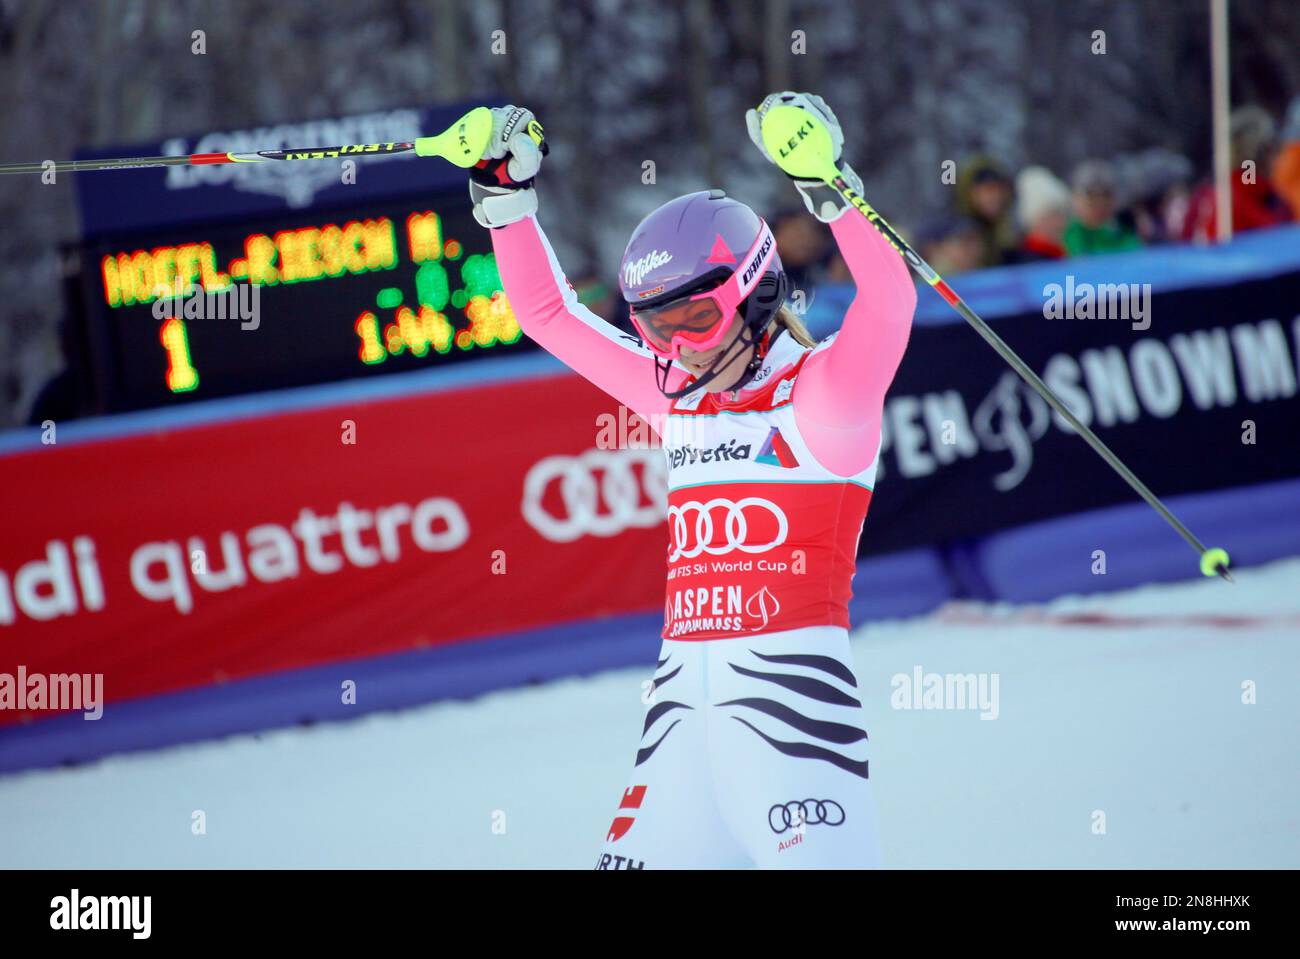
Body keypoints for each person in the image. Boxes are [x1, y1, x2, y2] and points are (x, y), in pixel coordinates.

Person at [467, 92, 915, 869]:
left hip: (793, 734)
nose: (678, 350)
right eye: (653, 328)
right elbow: (549, 316)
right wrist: (505, 199)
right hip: (675, 733)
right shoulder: (681, 402)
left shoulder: (825, 396)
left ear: (756, 292)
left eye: (695, 321)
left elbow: (892, 300)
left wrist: (830, 186)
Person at [1063, 159, 1142, 256]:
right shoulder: (1067, 236)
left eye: (1105, 196)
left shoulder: (1123, 236)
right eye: (1091, 197)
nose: (1099, 204)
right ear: (1076, 199)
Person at [954, 154, 1018, 267]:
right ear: (970, 194)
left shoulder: (1009, 230)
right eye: (987, 191)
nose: (995, 197)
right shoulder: (958, 234)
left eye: (999, 190)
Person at [1012, 165, 1071, 260]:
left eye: (1063, 214)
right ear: (1035, 220)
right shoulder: (1025, 260)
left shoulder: (1064, 253)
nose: (1060, 223)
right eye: (1053, 215)